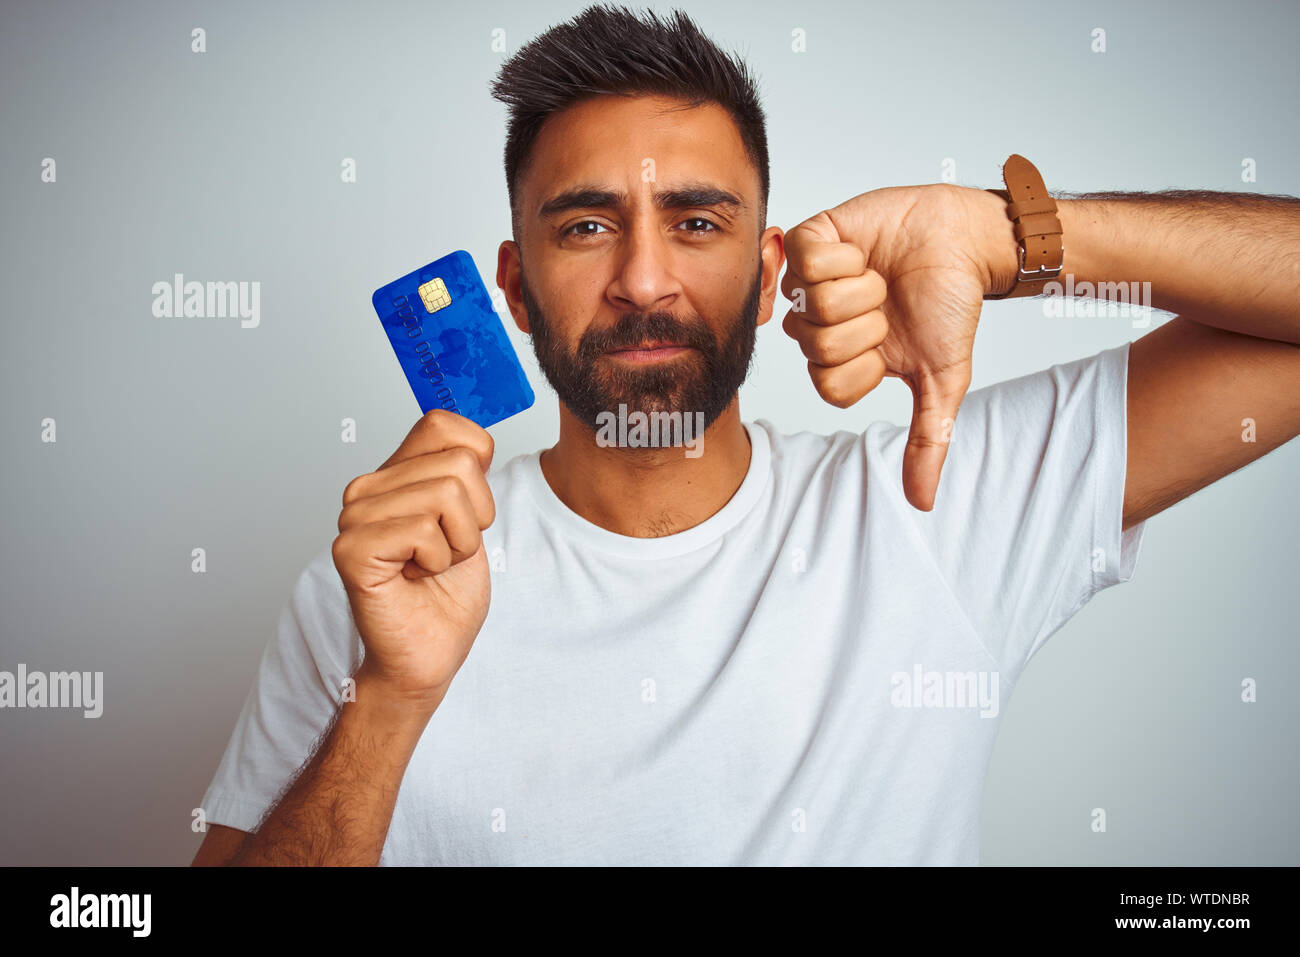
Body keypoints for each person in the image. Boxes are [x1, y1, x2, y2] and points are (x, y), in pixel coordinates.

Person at [193, 5, 1300, 866]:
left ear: (769, 276)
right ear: (515, 289)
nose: (641, 279)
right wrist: (389, 702)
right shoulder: (380, 585)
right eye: (586, 226)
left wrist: (1013, 238)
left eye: (696, 222)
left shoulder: (939, 506)